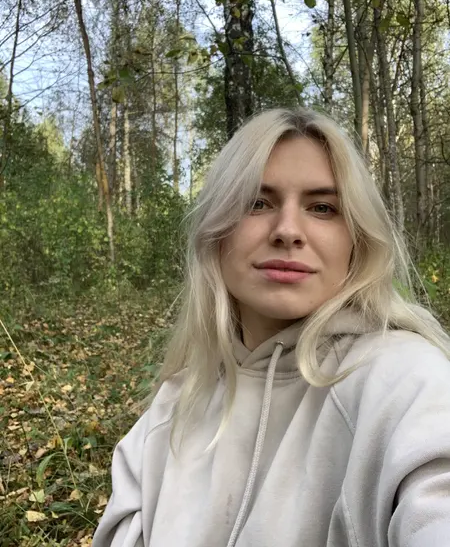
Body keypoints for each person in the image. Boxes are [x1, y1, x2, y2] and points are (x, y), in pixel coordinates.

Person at [92, 108, 450, 547]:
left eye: (322, 208)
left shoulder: (408, 382)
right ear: (216, 232)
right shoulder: (169, 413)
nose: (287, 231)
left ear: (357, 239)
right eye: (257, 203)